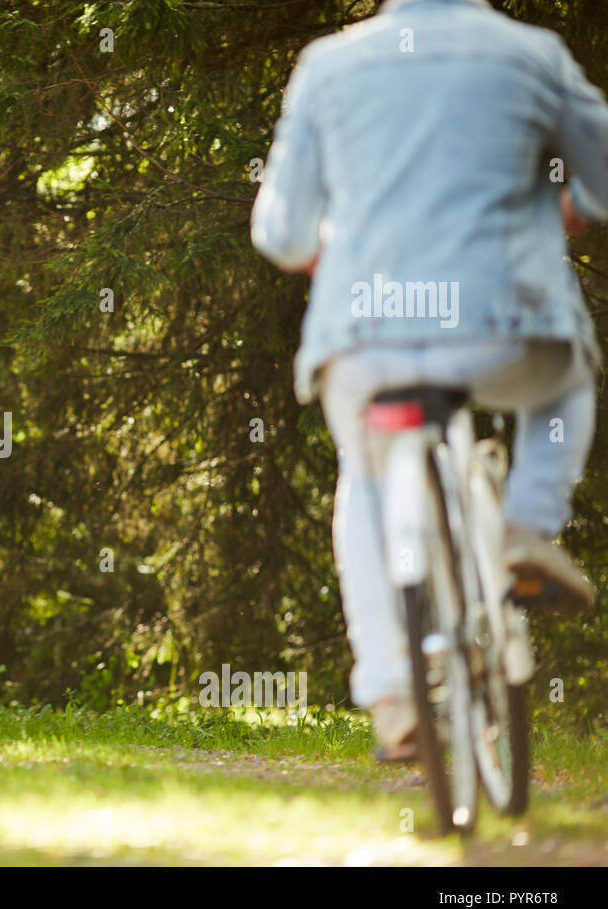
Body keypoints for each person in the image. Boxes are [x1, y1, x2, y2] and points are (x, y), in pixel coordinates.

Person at [250, 0, 608, 759]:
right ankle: (528, 528)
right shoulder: (530, 53)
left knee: (368, 482)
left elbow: (279, 231)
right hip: (503, 323)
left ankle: (389, 690)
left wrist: (326, 252)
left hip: (364, 331)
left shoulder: (329, 65)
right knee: (564, 386)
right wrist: (573, 206)